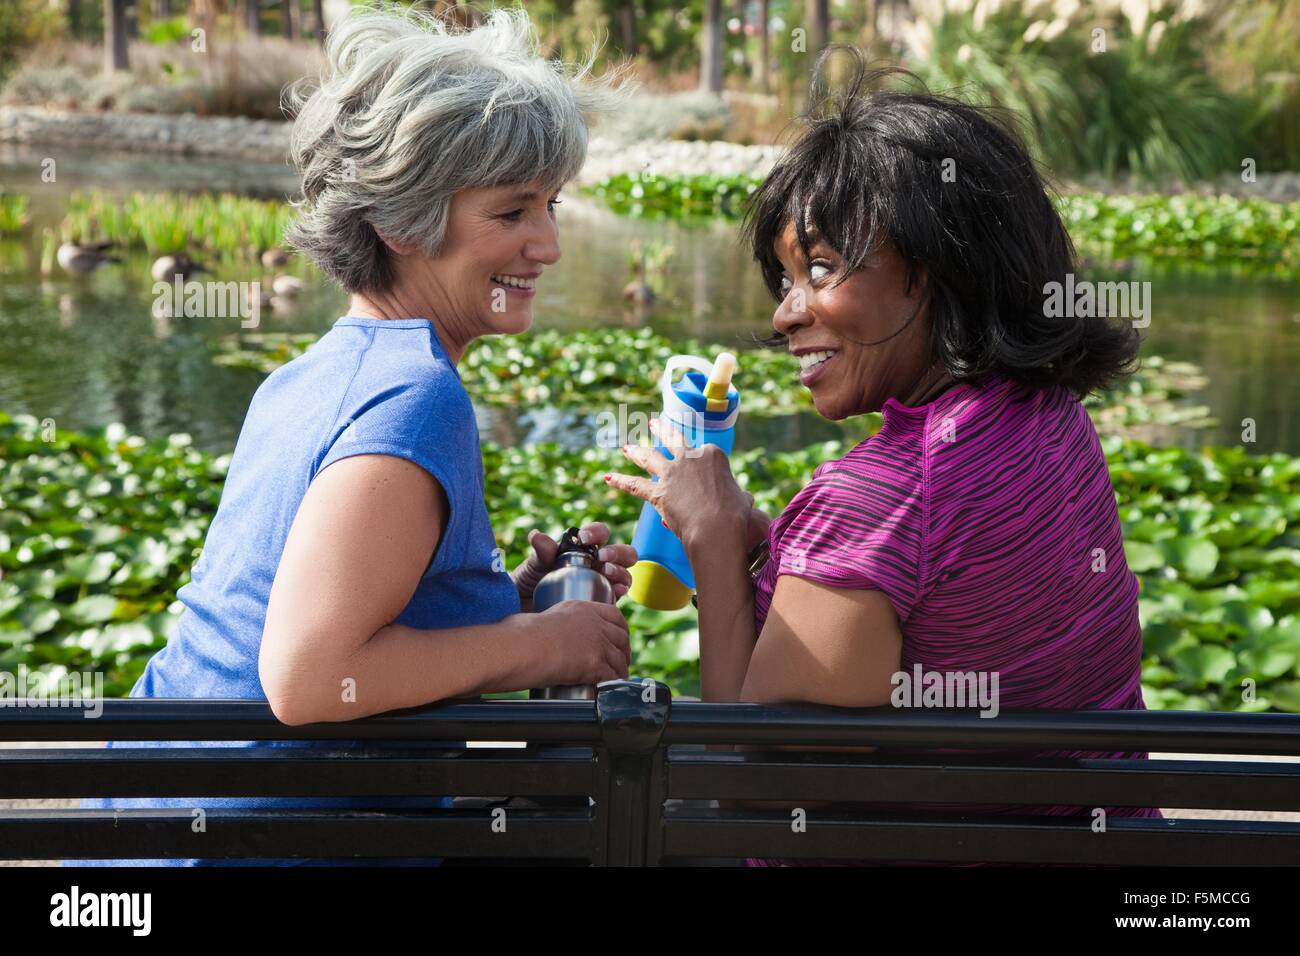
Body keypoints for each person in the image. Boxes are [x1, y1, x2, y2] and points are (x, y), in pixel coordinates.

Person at [71, 4, 633, 867]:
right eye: (513, 210)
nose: (549, 243)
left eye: (550, 205)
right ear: (401, 223)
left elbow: (346, 618)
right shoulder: (416, 396)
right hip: (257, 846)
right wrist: (535, 644)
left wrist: (510, 601)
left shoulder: (313, 373)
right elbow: (305, 677)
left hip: (152, 826)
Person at [606, 50, 1156, 866]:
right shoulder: (1050, 414)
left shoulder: (886, 492)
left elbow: (754, 788)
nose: (787, 315)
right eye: (785, 278)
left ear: (932, 274)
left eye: (821, 269)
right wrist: (772, 550)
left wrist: (719, 555)